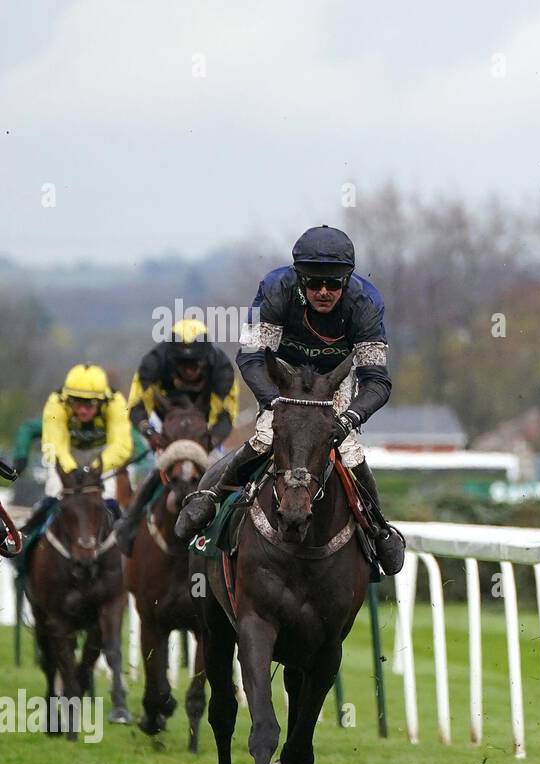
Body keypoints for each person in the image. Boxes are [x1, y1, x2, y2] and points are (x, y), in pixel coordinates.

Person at [172, 225, 405, 575]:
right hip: (283, 375)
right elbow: (251, 356)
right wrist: (273, 402)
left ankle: (377, 526)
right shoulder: (276, 290)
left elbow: (377, 382)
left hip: (333, 382)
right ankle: (213, 496)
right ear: (299, 279)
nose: (324, 292)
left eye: (333, 284)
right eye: (314, 283)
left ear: (347, 281)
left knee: (349, 450)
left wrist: (349, 420)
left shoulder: (365, 304)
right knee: (266, 435)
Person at [113, 318, 239, 554]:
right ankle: (128, 527)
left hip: (205, 428)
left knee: (221, 471)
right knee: (156, 469)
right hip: (164, 426)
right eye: (183, 363)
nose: (190, 369)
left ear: (206, 358)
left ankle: (232, 532)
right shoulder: (153, 364)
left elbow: (226, 417)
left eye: (195, 363)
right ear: (171, 359)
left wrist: (210, 441)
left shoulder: (222, 368)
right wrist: (149, 433)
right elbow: (137, 407)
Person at [21, 364, 132, 537]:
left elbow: (121, 446)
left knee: (109, 498)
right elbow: (54, 444)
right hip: (67, 452)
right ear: (68, 399)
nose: (82, 410)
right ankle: (27, 537)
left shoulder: (116, 402)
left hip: (101, 455)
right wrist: (72, 471)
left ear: (102, 401)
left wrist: (93, 469)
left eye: (89, 404)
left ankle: (123, 539)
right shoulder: (56, 401)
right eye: (77, 402)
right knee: (55, 493)